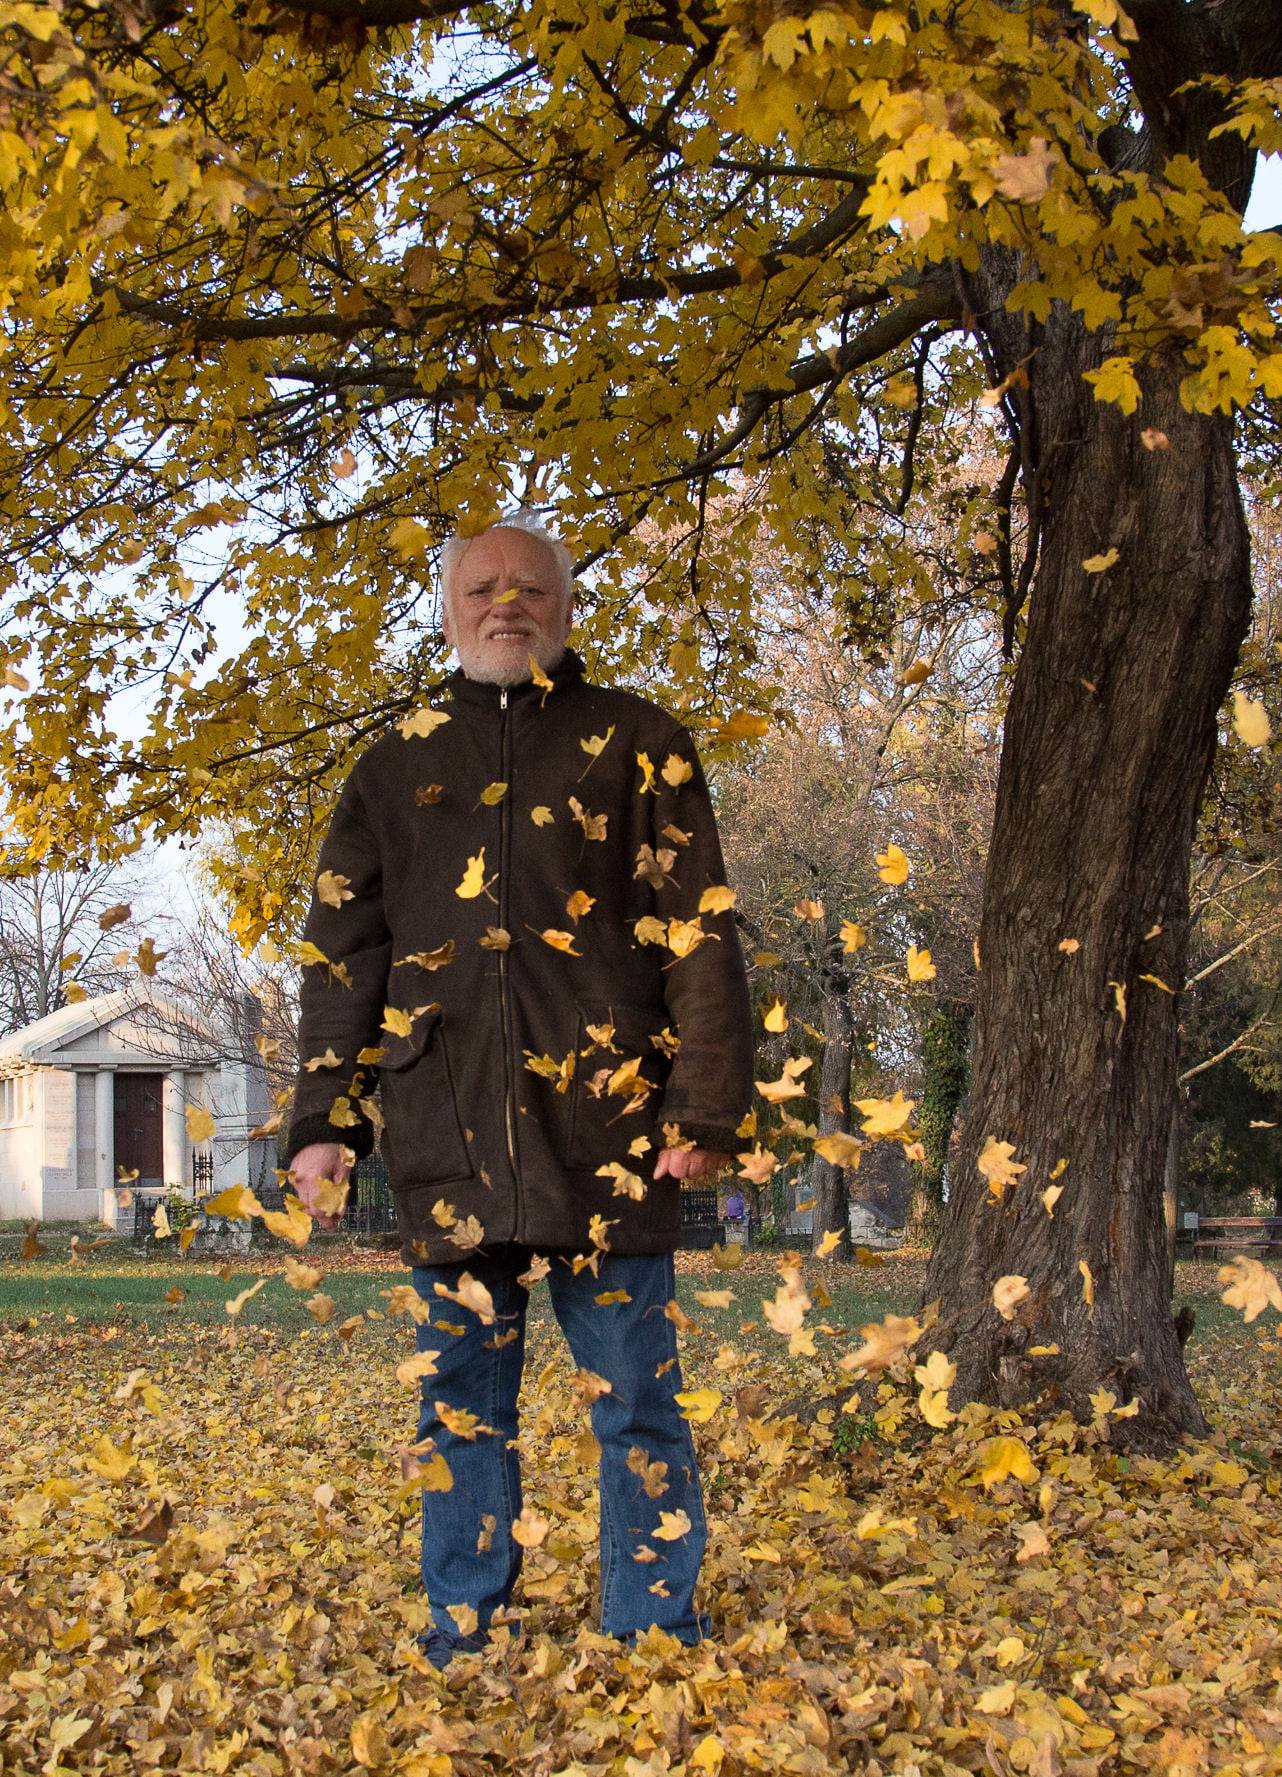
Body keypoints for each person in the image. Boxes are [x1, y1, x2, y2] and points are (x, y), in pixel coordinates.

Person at [282, 516, 754, 1670]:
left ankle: (651, 1629)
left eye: (530, 588)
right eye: (483, 589)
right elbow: (345, 958)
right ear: (448, 610)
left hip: (611, 1132)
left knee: (637, 1397)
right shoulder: (393, 765)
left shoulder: (641, 741)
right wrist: (323, 1122)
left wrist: (703, 1106)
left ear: (566, 608)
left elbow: (700, 936)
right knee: (457, 1405)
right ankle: (466, 1625)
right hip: (444, 1127)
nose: (508, 605)